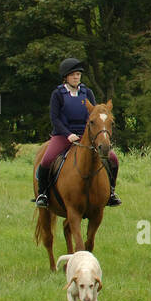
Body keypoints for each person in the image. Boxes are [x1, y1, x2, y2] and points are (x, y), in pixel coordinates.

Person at [32, 57, 121, 208]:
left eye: (78, 74)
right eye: (73, 74)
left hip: (86, 136)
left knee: (113, 159)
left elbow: (93, 114)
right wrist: (68, 134)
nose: (76, 77)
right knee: (46, 160)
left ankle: (111, 192)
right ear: (66, 77)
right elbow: (55, 118)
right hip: (63, 135)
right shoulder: (58, 94)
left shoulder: (87, 92)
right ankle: (43, 194)